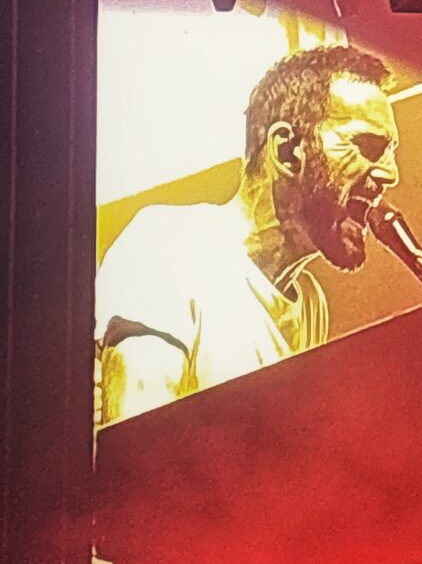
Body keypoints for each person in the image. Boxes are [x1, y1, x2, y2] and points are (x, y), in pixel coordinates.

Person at [96, 43, 401, 424]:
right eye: (369, 147)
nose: (391, 174)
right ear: (288, 151)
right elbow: (139, 459)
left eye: (391, 153)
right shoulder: (167, 245)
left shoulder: (311, 303)